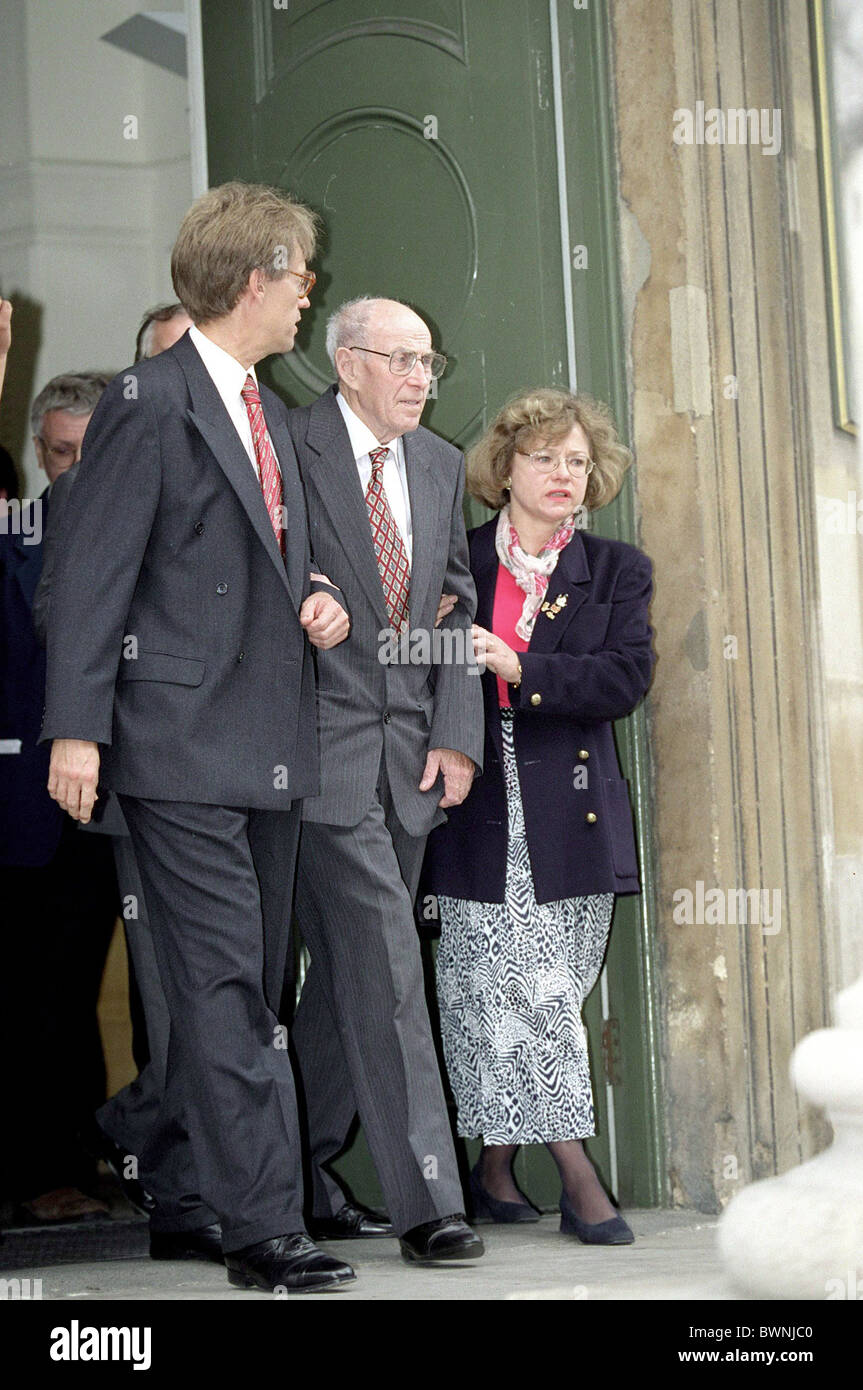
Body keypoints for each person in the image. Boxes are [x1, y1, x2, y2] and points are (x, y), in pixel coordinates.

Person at [41, 181, 357, 1294]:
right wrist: (75, 733)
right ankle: (265, 1231)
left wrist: (319, 592)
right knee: (227, 987)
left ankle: (185, 1187)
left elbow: (277, 554)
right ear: (253, 279)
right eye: (299, 273)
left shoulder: (269, 408)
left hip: (267, 744)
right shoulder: (149, 397)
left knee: (243, 988)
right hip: (175, 744)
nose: (308, 291)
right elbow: (89, 574)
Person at [422, 387, 655, 1244]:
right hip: (472, 799)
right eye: (544, 457)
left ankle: (491, 1164)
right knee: (522, 991)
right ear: (504, 467)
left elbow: (623, 681)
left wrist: (519, 666)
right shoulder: (455, 558)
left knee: (521, 995)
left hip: (574, 814)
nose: (563, 474)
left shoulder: (617, 569)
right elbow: (411, 668)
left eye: (578, 462)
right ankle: (575, 1171)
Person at [285, 295, 486, 1265]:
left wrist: (455, 733)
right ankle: (429, 1203)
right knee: (388, 964)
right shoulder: (284, 443)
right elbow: (231, 560)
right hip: (307, 753)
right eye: (401, 360)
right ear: (347, 359)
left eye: (427, 360)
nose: (420, 378)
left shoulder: (440, 464)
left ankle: (186, 1141)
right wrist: (304, 592)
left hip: (407, 757)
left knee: (346, 981)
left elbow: (452, 599)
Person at [1, 370, 120, 1223]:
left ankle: (83, 1154)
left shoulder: (152, 531)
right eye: (60, 452)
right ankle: (40, 1170)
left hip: (126, 809)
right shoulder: (12, 534)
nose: (75, 470)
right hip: (24, 808)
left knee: (78, 996)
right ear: (40, 453)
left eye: (92, 451)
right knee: (31, 994)